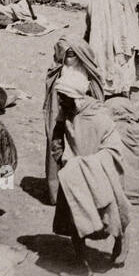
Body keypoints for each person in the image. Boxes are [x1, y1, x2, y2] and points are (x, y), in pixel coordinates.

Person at [51, 63, 131, 276]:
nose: (60, 101)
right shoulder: (65, 114)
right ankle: (80, 264)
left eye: (63, 97)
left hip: (99, 176)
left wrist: (90, 164)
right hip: (74, 174)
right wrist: (62, 158)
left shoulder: (100, 117)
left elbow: (114, 149)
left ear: (76, 97)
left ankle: (121, 242)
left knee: (111, 214)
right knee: (75, 217)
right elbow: (57, 138)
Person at [43, 38, 105, 204]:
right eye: (66, 55)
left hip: (81, 121)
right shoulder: (56, 72)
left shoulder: (88, 71)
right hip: (60, 117)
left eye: (73, 54)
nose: (69, 58)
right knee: (58, 149)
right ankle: (57, 193)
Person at [83, 0, 139, 96]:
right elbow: (128, 4)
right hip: (122, 23)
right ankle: (125, 90)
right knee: (123, 52)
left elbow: (90, 10)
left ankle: (105, 90)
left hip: (103, 26)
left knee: (104, 53)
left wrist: (88, 29)